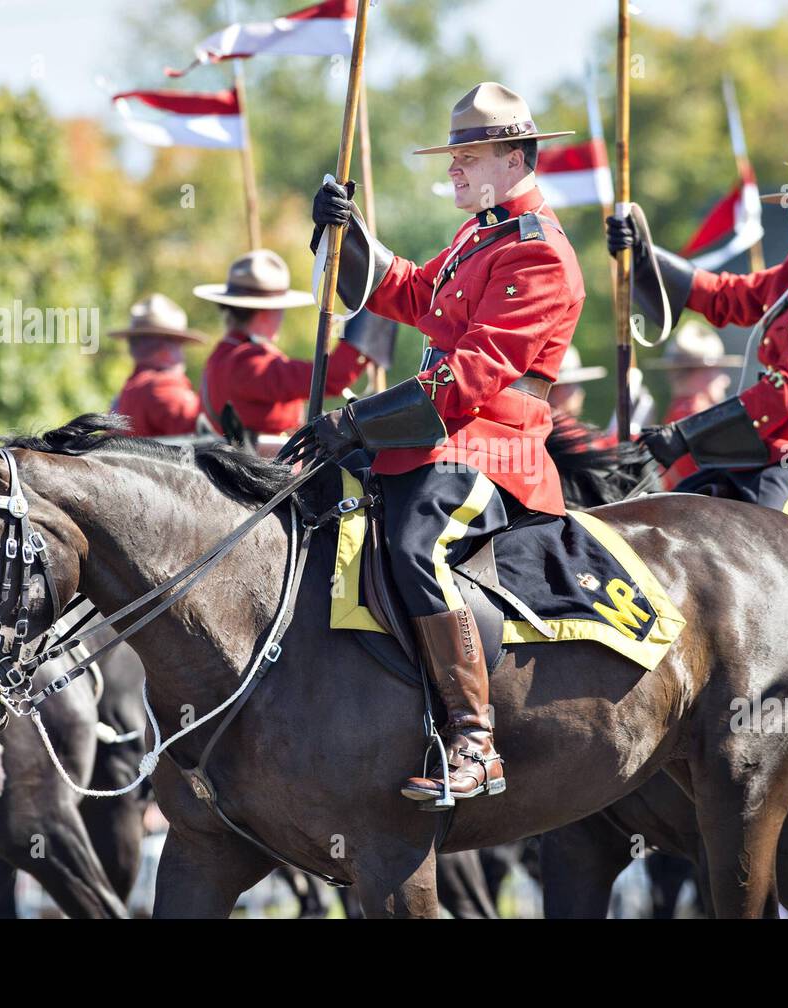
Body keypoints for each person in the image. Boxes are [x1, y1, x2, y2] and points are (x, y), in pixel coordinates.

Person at [308, 82, 584, 801]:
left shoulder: (537, 252)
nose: (453, 168)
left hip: (496, 445)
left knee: (413, 546)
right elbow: (410, 292)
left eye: (467, 155)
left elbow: (471, 378)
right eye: (453, 154)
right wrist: (351, 234)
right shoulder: (478, 235)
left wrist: (358, 421)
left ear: (515, 156)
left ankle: (473, 739)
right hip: (441, 437)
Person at [608, 137, 788, 518]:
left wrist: (687, 435)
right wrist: (646, 256)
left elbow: (787, 390)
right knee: (679, 508)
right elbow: (725, 297)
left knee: (763, 546)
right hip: (765, 448)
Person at [197, 249, 388, 437]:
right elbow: (331, 377)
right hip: (266, 466)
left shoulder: (223, 355)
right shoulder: (249, 364)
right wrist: (379, 304)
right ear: (265, 314)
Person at [642, 320, 742, 488]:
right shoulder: (698, 417)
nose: (725, 379)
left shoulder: (676, 413)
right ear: (696, 373)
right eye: (716, 370)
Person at [110, 293, 204, 437]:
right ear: (165, 350)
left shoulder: (130, 389)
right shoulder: (163, 386)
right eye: (179, 345)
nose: (182, 355)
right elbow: (204, 434)